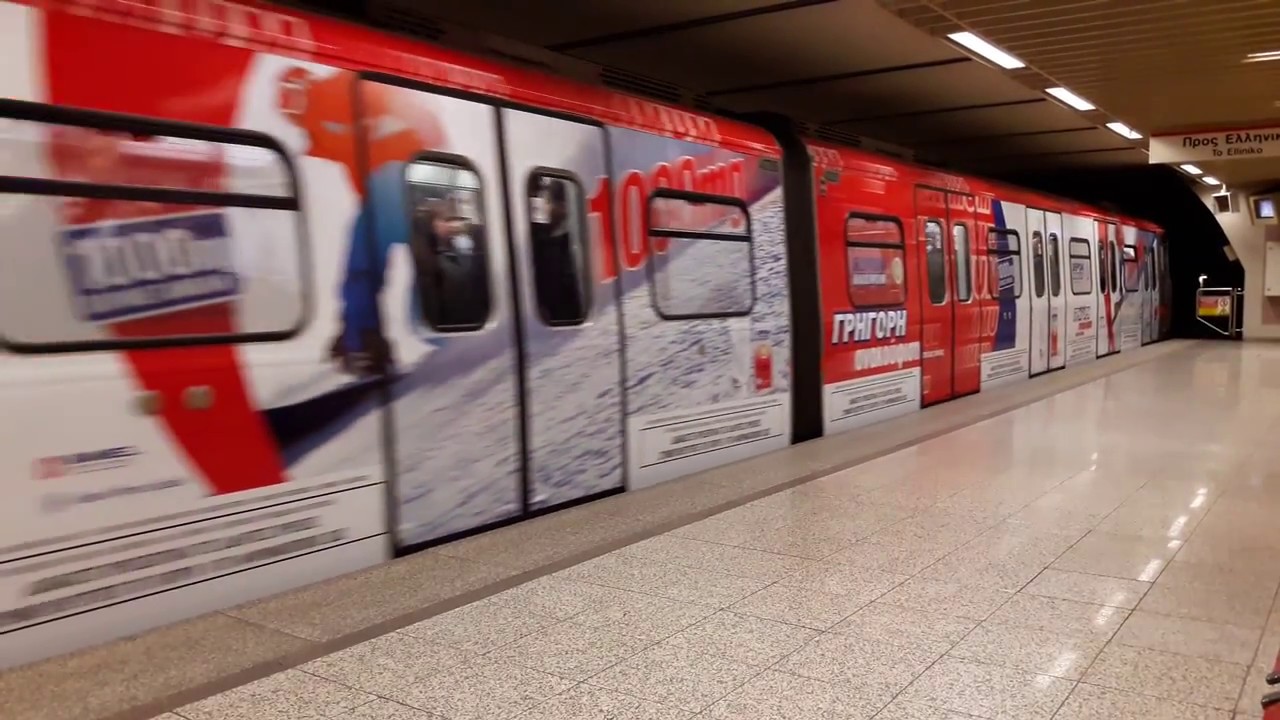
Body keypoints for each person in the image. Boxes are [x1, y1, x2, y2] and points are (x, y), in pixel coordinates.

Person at [275, 66, 450, 377]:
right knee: (384, 260)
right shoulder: (316, 129)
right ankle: (367, 333)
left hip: (404, 179)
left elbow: (395, 99)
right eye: (284, 104)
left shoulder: (338, 90)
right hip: (401, 188)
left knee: (364, 253)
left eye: (292, 97)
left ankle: (364, 339)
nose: (290, 109)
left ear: (304, 85)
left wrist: (435, 152)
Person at [530, 179, 585, 324]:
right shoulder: (541, 238)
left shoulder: (570, 242)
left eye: (547, 202)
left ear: (563, 207)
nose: (543, 209)